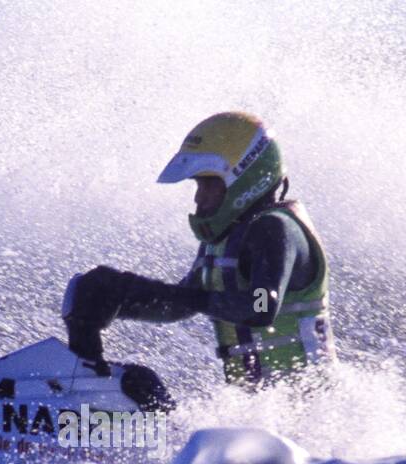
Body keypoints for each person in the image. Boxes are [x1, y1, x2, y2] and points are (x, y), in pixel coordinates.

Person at [63, 111, 334, 386]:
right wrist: (122, 297)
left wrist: (192, 299)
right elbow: (182, 305)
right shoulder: (223, 238)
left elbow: (260, 307)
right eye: (198, 185)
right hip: (264, 412)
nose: (199, 197)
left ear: (243, 178)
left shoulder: (275, 230)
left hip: (310, 414)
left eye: (209, 185)